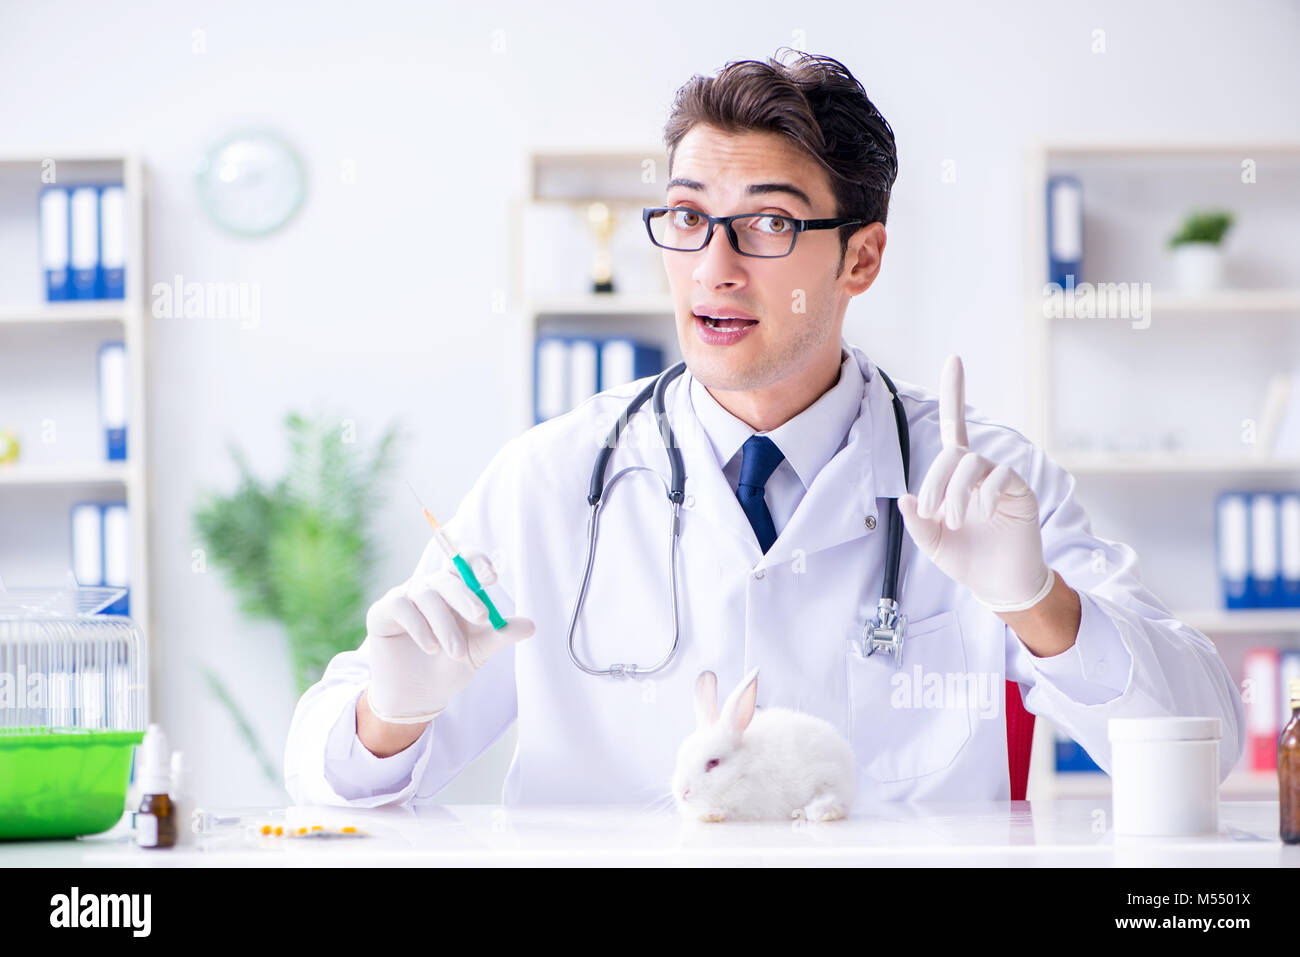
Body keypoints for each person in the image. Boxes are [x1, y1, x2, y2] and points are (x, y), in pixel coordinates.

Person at [284, 49, 1244, 808]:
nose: (715, 267)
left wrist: (1040, 604)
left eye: (770, 225)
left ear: (861, 258)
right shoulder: (554, 476)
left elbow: (1202, 746)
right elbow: (326, 777)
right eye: (690, 218)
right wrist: (387, 715)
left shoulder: (979, 476)